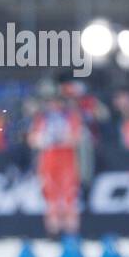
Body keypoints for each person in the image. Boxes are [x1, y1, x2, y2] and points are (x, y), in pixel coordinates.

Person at [28, 82, 85, 238]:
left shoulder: (70, 116)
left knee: (69, 196)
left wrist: (62, 139)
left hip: (67, 159)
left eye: (56, 101)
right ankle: (53, 232)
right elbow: (33, 139)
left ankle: (71, 231)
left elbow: (77, 136)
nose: (53, 105)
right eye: (50, 101)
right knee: (50, 197)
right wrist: (45, 140)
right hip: (48, 160)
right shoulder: (42, 118)